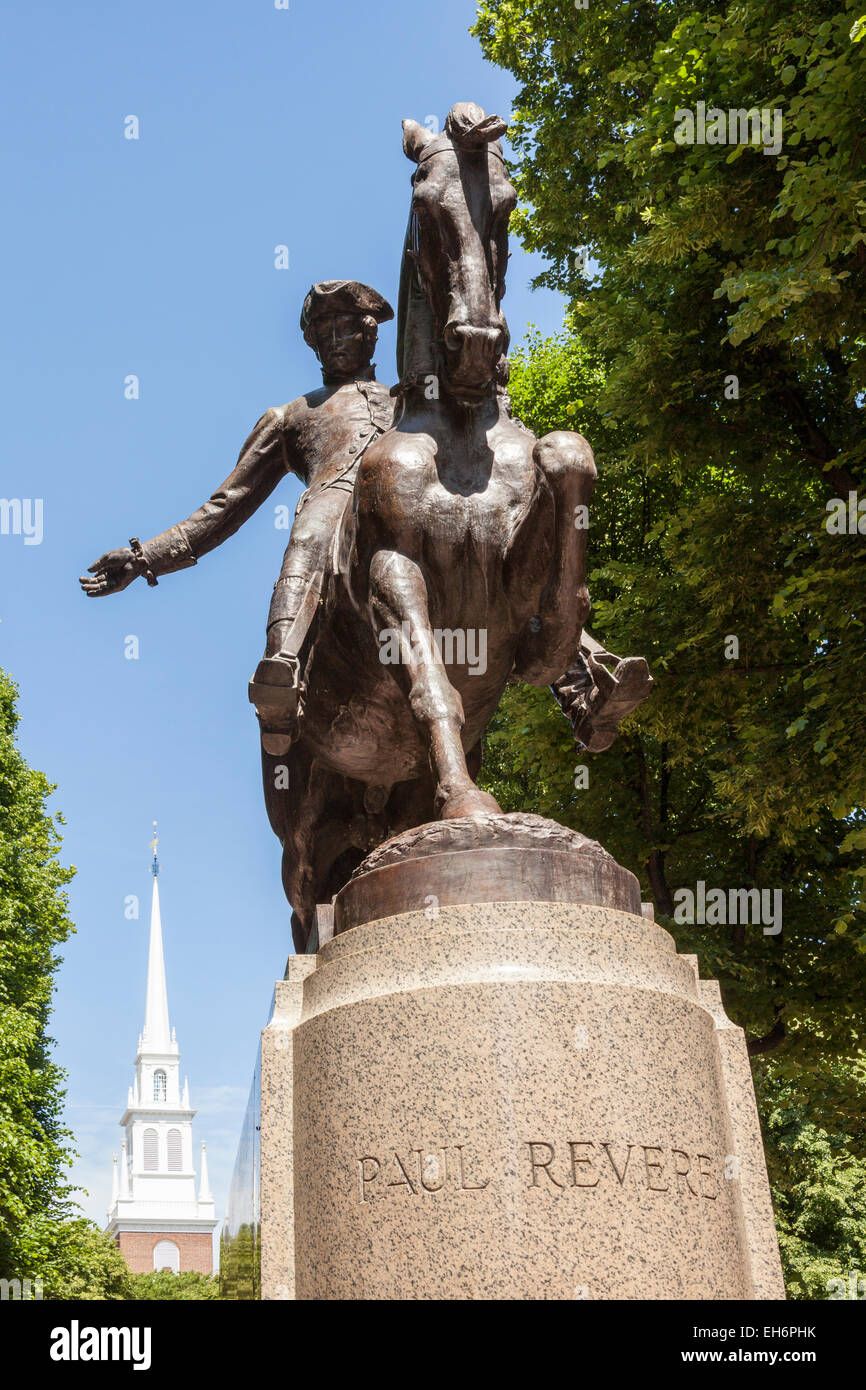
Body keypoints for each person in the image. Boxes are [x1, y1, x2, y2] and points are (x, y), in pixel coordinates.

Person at [80, 280, 395, 753]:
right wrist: (144, 557)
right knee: (315, 521)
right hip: (334, 503)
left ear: (370, 333)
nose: (332, 340)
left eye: (344, 328)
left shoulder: (411, 402)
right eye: (321, 331)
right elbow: (227, 503)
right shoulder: (289, 417)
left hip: (403, 505)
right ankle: (281, 665)